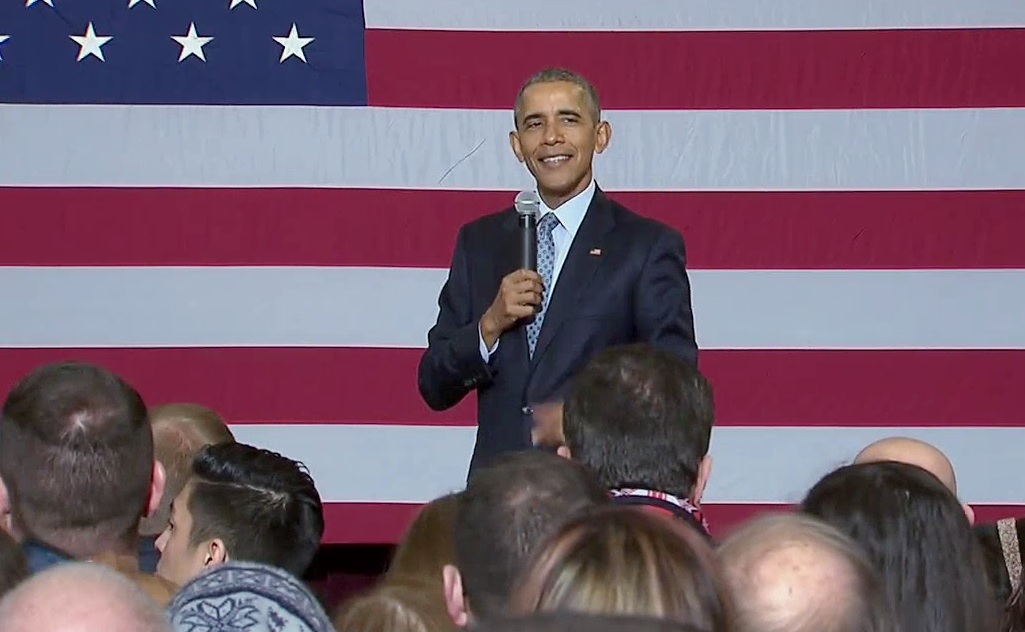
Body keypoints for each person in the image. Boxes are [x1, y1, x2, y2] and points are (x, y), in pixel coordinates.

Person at [418, 67, 698, 476]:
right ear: (517, 145)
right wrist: (490, 326)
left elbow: (676, 387)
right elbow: (433, 384)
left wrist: (583, 418)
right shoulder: (479, 243)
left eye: (568, 119)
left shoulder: (646, 246)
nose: (551, 137)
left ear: (600, 136)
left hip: (597, 497)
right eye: (535, 124)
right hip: (499, 500)